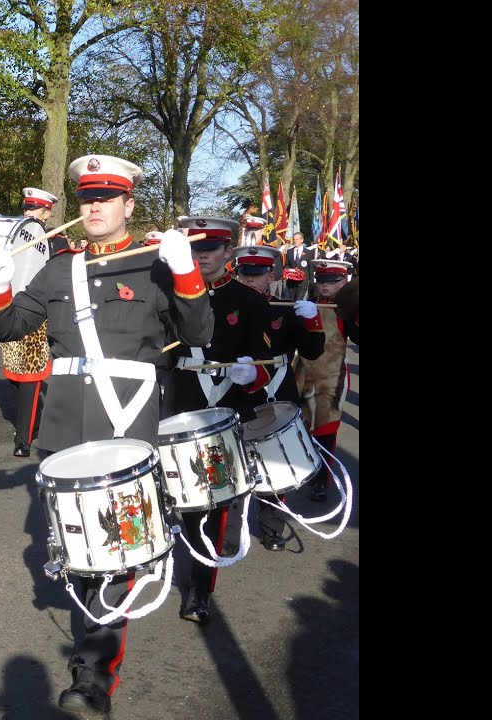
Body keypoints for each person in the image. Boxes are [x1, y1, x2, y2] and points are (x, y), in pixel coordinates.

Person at [0, 154, 212, 716]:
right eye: (87, 198)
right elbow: (9, 327)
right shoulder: (60, 268)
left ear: (129, 204)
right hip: (65, 425)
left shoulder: (154, 263)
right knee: (80, 548)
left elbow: (199, 332)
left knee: (113, 549)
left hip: (125, 422)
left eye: (107, 197)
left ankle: (94, 675)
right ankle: (94, 647)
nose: (95, 206)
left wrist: (185, 272)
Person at [165, 215, 274, 626]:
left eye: (209, 248)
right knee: (179, 499)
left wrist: (253, 374)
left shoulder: (250, 301)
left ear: (229, 251)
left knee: (214, 504)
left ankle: (200, 587)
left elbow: (267, 362)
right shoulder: (169, 294)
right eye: (194, 248)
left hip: (227, 410)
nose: (201, 255)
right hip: (179, 405)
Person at [231, 245, 325, 549]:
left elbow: (312, 351)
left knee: (276, 460)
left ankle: (271, 527)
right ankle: (229, 531)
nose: (249, 279)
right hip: (235, 388)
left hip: (277, 389)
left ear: (271, 276)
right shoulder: (225, 307)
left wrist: (312, 323)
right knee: (233, 461)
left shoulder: (284, 309)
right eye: (244, 273)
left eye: (256, 274)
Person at [1, 188, 60, 458]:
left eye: (34, 209)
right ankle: (36, 422)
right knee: (13, 376)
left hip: (37, 316)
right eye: (27, 208)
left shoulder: (55, 242)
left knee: (29, 378)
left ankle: (23, 438)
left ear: (47, 213)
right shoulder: (11, 237)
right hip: (12, 308)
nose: (28, 213)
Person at [293, 259, 356, 503]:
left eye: (332, 281)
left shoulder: (346, 310)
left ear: (343, 282)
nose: (325, 285)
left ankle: (321, 481)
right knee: (301, 429)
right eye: (321, 280)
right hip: (303, 374)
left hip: (331, 378)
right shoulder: (308, 304)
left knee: (325, 431)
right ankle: (305, 471)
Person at [282, 231, 318, 301]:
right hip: (291, 282)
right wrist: (290, 271)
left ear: (302, 240)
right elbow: (287, 265)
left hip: (303, 282)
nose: (295, 241)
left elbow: (310, 267)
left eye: (297, 239)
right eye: (294, 239)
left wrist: (311, 281)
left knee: (299, 300)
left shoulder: (308, 252)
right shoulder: (289, 252)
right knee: (292, 300)